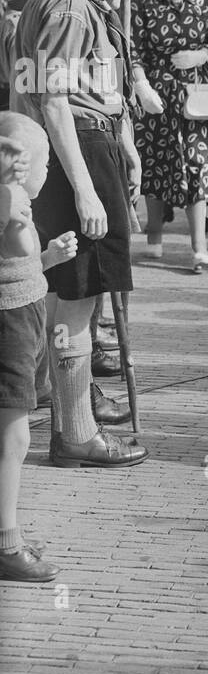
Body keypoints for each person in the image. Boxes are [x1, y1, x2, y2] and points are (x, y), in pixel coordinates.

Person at [12, 0, 151, 467]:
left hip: (94, 145)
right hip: (76, 156)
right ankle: (73, 433)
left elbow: (98, 90)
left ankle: (77, 416)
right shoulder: (69, 6)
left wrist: (126, 146)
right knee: (75, 295)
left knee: (85, 294)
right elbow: (52, 99)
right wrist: (87, 187)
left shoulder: (83, 2)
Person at [0, 116, 77, 579]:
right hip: (10, 325)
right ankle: (7, 544)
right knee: (14, 434)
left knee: (14, 432)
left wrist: (47, 258)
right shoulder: (11, 200)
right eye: (45, 161)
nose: (48, 170)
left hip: (21, 317)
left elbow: (19, 260)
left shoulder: (17, 202)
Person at [132, 0, 208, 273]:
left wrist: (202, 54)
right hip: (158, 94)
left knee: (197, 166)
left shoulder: (205, 3)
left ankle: (199, 247)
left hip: (194, 96)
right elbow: (134, 49)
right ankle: (155, 234)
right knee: (158, 163)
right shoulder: (142, 3)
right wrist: (142, 84)